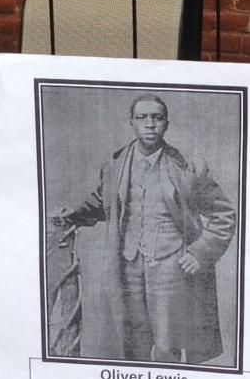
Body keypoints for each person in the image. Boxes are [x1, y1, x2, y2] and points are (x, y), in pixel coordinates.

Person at [54, 93, 236, 364]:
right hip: (128, 265)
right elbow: (103, 201)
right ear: (132, 122)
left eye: (157, 118)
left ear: (166, 124)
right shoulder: (115, 165)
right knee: (133, 341)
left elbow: (224, 214)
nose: (150, 124)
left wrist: (199, 252)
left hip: (171, 267)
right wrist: (76, 214)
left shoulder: (187, 168)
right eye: (142, 118)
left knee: (166, 345)